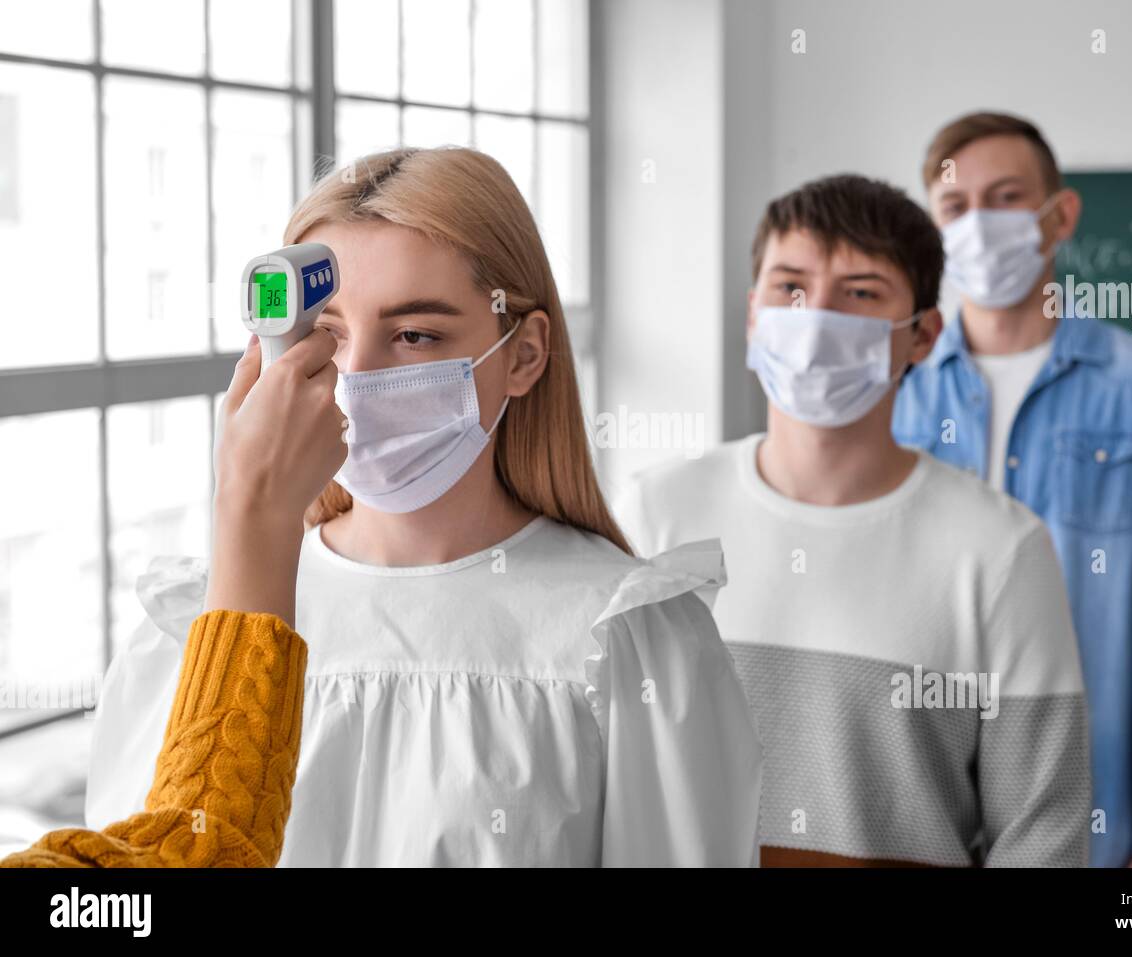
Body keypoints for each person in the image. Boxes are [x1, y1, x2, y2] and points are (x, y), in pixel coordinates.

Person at [85, 146, 762, 867]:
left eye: (414, 335)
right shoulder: (195, 633)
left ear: (525, 355)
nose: (355, 376)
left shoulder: (627, 638)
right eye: (329, 336)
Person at [617, 174, 1091, 867]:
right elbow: (599, 769)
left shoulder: (1000, 550)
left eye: (861, 292)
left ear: (923, 334)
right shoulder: (654, 513)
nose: (817, 316)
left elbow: (1043, 834)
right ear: (753, 315)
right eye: (790, 287)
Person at [893, 111, 1132, 868]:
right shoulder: (894, 390)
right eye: (955, 206)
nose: (979, 225)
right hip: (912, 815)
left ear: (1060, 214)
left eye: (1006, 197)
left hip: (1090, 824)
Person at [3, 330, 344, 867]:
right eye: (334, 335)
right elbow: (202, 847)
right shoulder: (167, 643)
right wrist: (254, 508)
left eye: (415, 336)